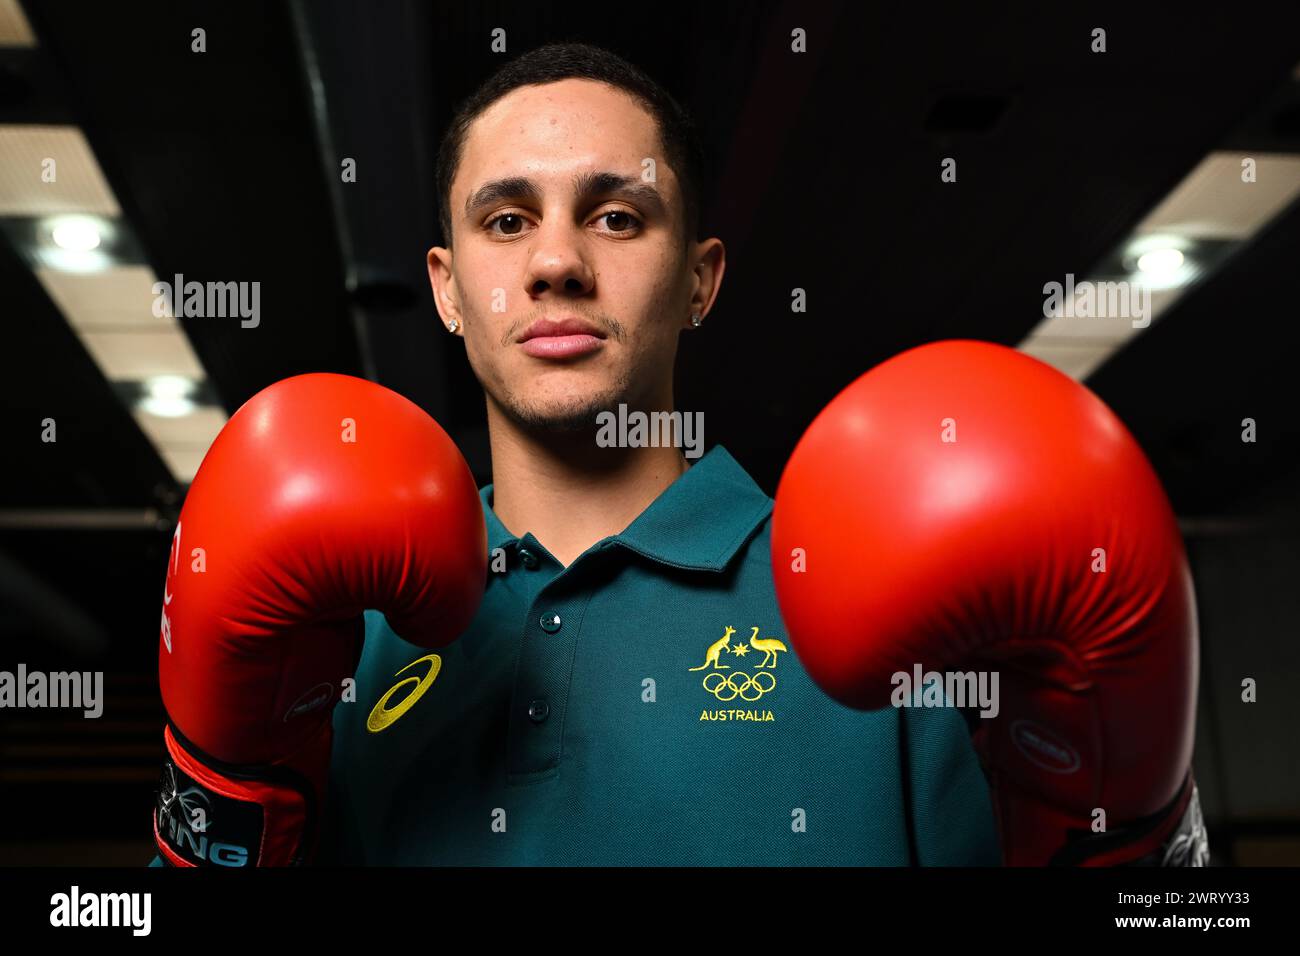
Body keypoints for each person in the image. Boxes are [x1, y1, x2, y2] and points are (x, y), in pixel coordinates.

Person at [318, 42, 1000, 865]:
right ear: (448, 289)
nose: (558, 263)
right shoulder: (349, 634)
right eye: (506, 221)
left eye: (617, 217)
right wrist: (215, 783)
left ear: (699, 281)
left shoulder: (878, 600)